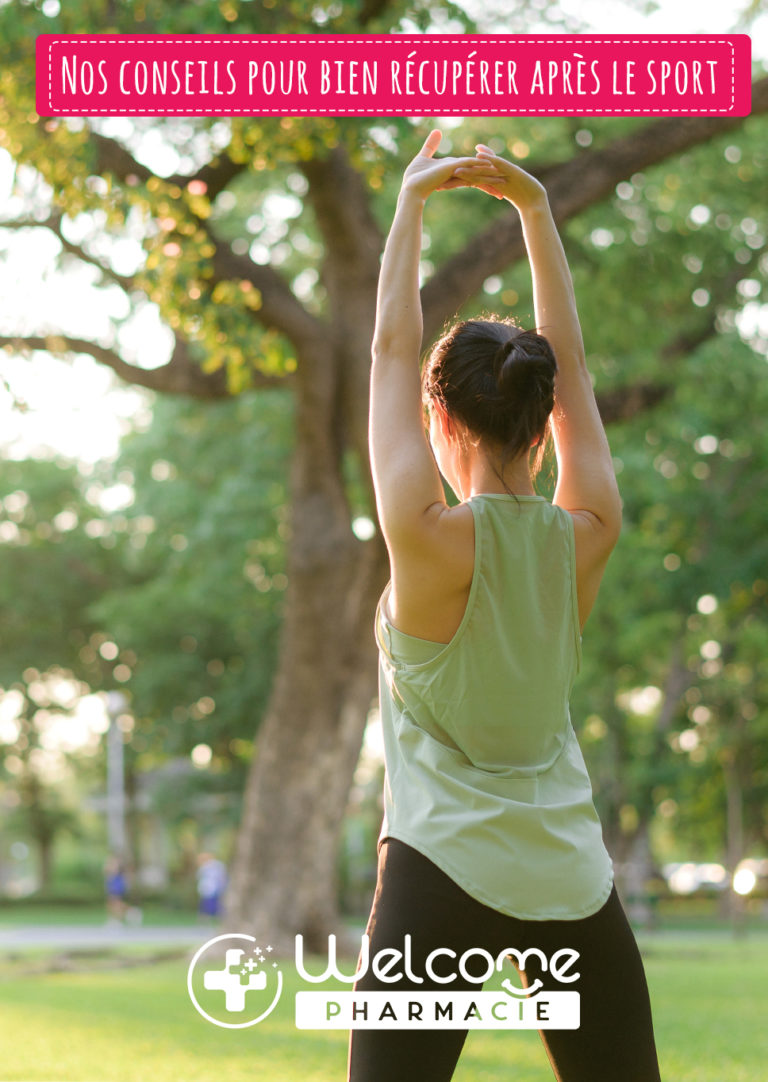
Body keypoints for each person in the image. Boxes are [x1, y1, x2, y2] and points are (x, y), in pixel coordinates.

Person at [347, 132, 661, 1082]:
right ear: (543, 416)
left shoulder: (427, 535)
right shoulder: (589, 530)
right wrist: (535, 209)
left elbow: (391, 346)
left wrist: (410, 204)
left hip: (438, 870)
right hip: (568, 875)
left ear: (442, 420)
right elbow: (577, 380)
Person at [196, 852, 228, 921]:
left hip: (211, 888)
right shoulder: (217, 865)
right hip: (210, 888)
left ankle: (207, 918)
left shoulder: (207, 866)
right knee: (212, 904)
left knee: (211, 904)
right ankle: (211, 918)